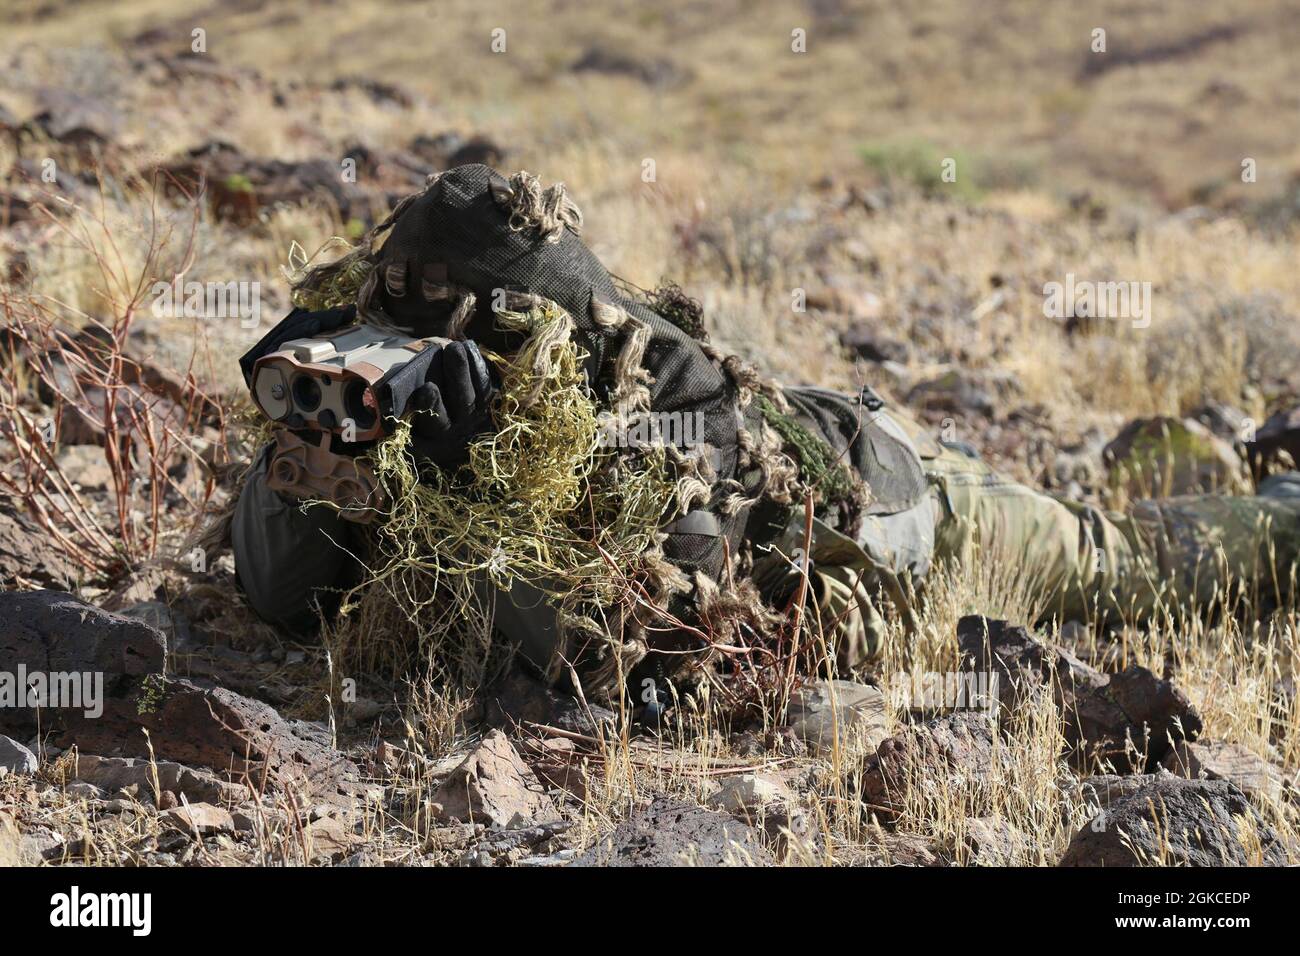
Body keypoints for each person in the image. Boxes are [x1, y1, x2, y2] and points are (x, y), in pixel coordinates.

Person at [231, 164, 1300, 702]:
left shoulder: (664, 399)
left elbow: (642, 652)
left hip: (910, 517)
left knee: (1127, 556)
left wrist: (508, 485)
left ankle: (1280, 513)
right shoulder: (377, 385)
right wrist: (318, 461)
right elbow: (279, 598)